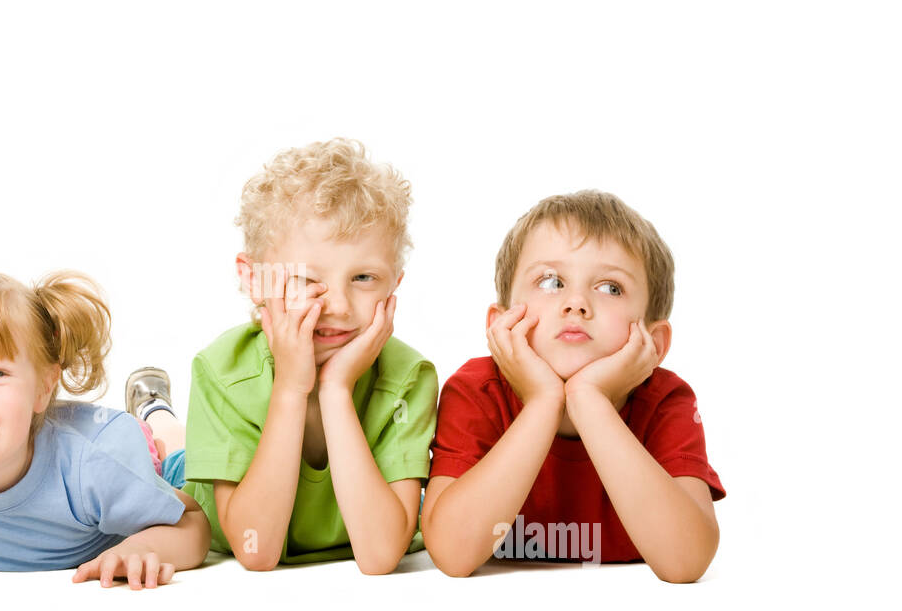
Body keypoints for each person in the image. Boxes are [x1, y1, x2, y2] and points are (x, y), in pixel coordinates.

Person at [422, 190, 725, 583]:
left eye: (610, 287)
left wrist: (589, 400)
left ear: (656, 343)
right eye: (551, 281)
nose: (577, 303)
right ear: (500, 324)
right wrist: (543, 402)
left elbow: (686, 562)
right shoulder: (476, 391)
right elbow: (451, 553)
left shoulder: (666, 401)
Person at [181, 139, 437, 573]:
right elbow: (257, 551)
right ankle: (156, 412)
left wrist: (336, 390)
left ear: (394, 284)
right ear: (254, 278)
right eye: (304, 278)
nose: (337, 304)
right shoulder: (222, 370)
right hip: (191, 476)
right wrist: (290, 389)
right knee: (169, 452)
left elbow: (379, 556)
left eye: (363, 277)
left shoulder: (409, 378)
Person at [0, 263, 210, 589]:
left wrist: (142, 549)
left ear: (44, 388)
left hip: (134, 457)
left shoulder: (93, 472)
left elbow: (193, 522)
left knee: (178, 456)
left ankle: (155, 409)